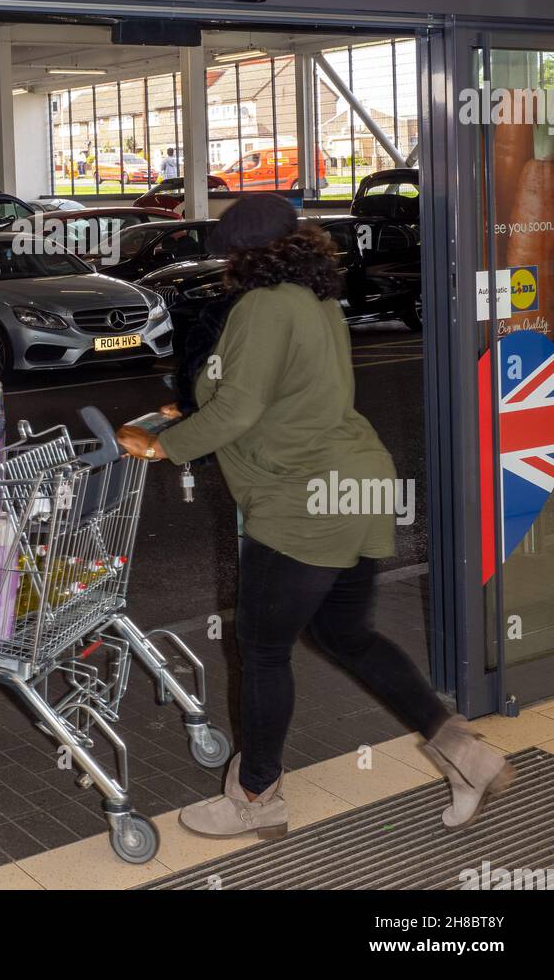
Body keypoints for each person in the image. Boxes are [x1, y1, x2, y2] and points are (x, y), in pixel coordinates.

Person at [115, 193, 514, 841]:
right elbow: (277, 398)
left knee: (263, 648)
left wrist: (166, 444)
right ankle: (466, 756)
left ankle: (254, 796)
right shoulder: (316, 302)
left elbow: (240, 409)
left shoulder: (260, 307)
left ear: (241, 257)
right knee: (344, 635)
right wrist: (192, 413)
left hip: (302, 503)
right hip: (355, 488)